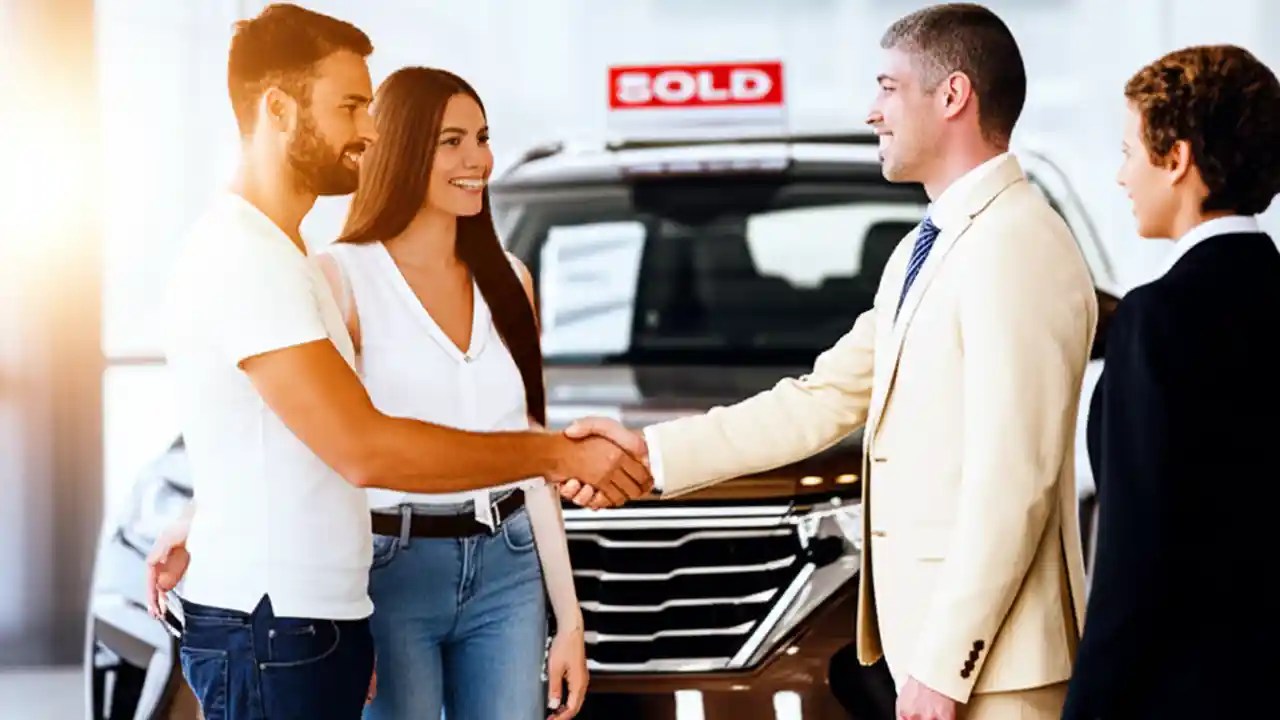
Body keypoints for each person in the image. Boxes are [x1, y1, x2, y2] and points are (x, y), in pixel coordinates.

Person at [562, 4, 1097, 719]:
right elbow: (819, 399)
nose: (871, 112)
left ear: (952, 95)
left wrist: (945, 665)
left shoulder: (1017, 244)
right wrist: (651, 453)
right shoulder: (928, 246)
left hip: (990, 669)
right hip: (943, 659)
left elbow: (1015, 478)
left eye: (886, 86)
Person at [152, 5, 648, 719]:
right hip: (306, 610)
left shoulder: (279, 255)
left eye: (482, 138)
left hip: (349, 605)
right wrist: (556, 456)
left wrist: (567, 615)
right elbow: (359, 446)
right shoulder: (277, 264)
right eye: (352, 105)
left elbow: (286, 429)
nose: (369, 128)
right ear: (279, 109)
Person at [313, 66, 587, 720]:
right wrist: (342, 616)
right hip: (390, 575)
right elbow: (320, 456)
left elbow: (534, 456)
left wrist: (570, 622)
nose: (478, 160)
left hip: (509, 568)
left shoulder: (510, 280)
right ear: (401, 148)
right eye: (451, 141)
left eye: (483, 138)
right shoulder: (341, 277)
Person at [1061, 45, 1280, 720]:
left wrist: (1088, 708)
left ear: (1177, 158)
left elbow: (1134, 557)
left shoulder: (1158, 320)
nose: (1122, 175)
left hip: (1187, 695)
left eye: (1129, 150)